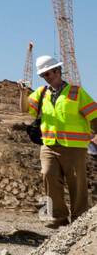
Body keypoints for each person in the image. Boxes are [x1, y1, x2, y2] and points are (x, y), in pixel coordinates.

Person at [24, 55, 95, 227]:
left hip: (74, 147)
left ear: (58, 71)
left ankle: (79, 219)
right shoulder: (41, 93)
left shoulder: (76, 92)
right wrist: (22, 92)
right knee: (48, 174)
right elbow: (24, 109)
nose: (48, 77)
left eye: (50, 73)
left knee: (76, 182)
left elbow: (94, 115)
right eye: (44, 75)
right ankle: (58, 217)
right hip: (49, 144)